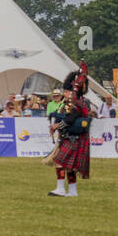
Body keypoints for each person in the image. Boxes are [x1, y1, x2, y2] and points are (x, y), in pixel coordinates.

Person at [48, 67, 91, 197]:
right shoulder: (76, 101)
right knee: (69, 165)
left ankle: (61, 189)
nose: (65, 93)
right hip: (72, 137)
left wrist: (57, 126)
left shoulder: (76, 102)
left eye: (67, 91)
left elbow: (70, 119)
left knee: (59, 161)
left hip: (74, 137)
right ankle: (72, 191)